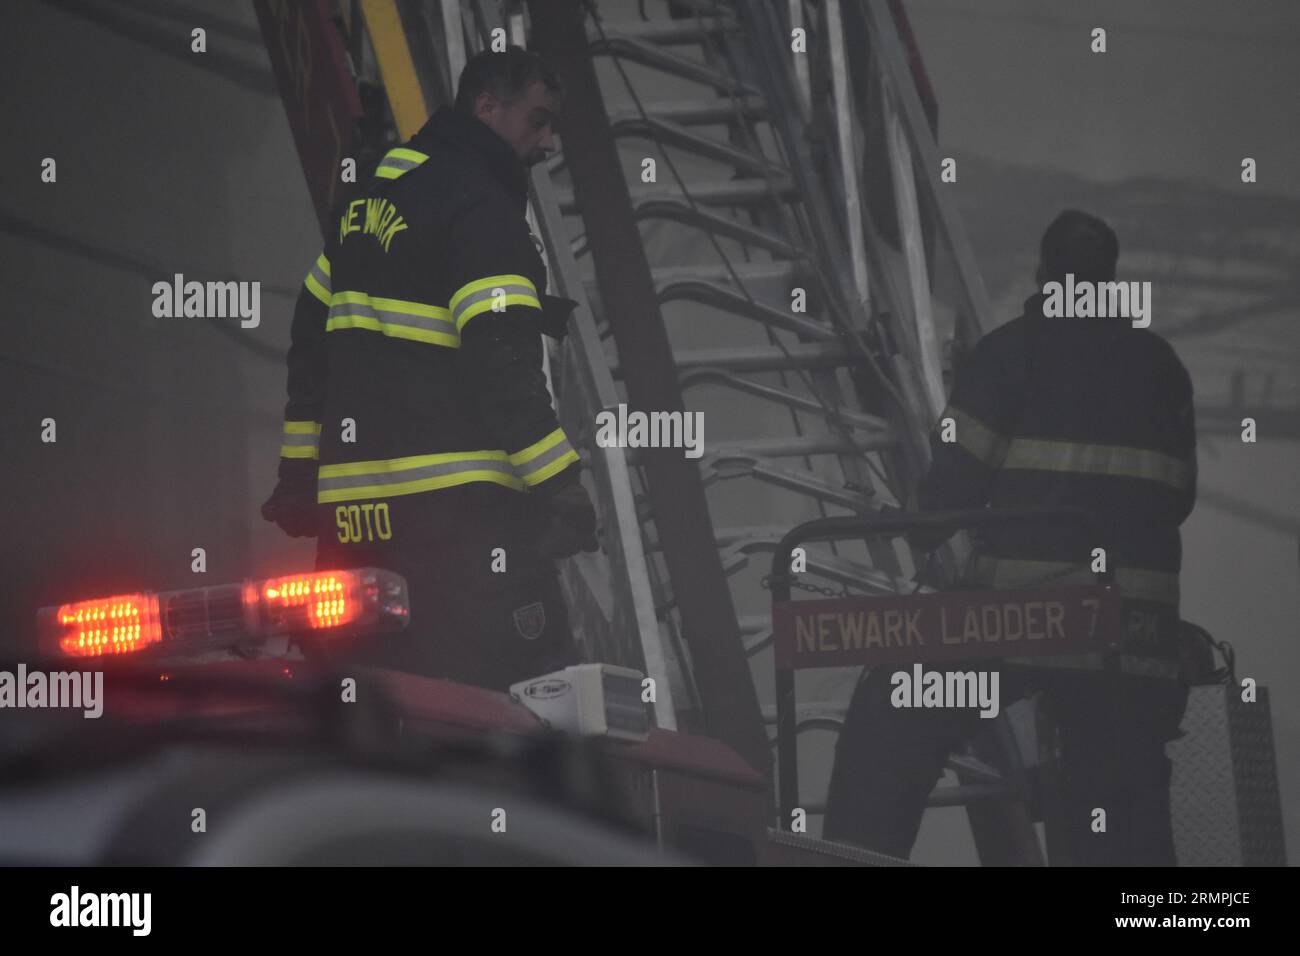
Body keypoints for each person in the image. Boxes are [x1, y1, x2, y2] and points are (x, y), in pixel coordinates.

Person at [823, 210, 1195, 865]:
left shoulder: (1007, 355)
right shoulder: (1163, 368)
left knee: (896, 699)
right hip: (1138, 641)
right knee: (1117, 793)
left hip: (1029, 630)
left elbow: (943, 502)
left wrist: (948, 559)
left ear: (1044, 277)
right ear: (1111, 281)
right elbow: (1178, 499)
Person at [261, 47, 598, 691]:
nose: (548, 143)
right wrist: (562, 485)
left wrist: (299, 477)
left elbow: (312, 335)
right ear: (486, 107)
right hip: (463, 536)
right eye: (538, 121)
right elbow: (500, 358)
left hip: (356, 532)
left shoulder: (369, 202)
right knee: (527, 703)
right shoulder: (479, 209)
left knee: (370, 711)